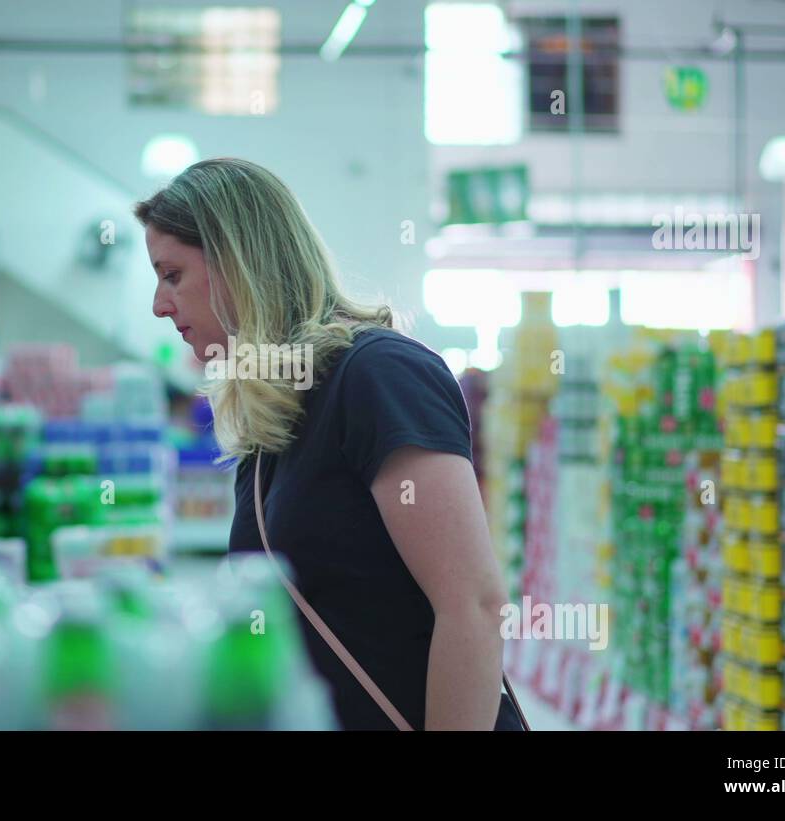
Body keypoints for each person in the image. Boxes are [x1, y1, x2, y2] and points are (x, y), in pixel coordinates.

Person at [134, 158, 509, 730]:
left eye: (172, 275)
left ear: (237, 259)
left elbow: (473, 607)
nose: (160, 305)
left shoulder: (379, 375)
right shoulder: (274, 415)